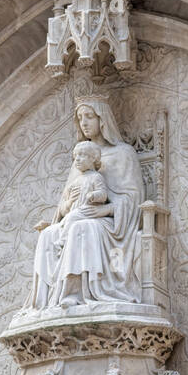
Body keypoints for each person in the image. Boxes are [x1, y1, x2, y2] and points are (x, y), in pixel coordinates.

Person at [30, 97, 145, 309]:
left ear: (102, 120)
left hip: (111, 224)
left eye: (89, 117)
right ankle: (47, 302)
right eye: (80, 118)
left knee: (82, 228)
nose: (84, 123)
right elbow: (65, 203)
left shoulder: (124, 153)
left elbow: (133, 200)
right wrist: (65, 208)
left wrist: (102, 211)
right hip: (78, 217)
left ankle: (78, 293)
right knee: (47, 235)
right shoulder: (80, 159)